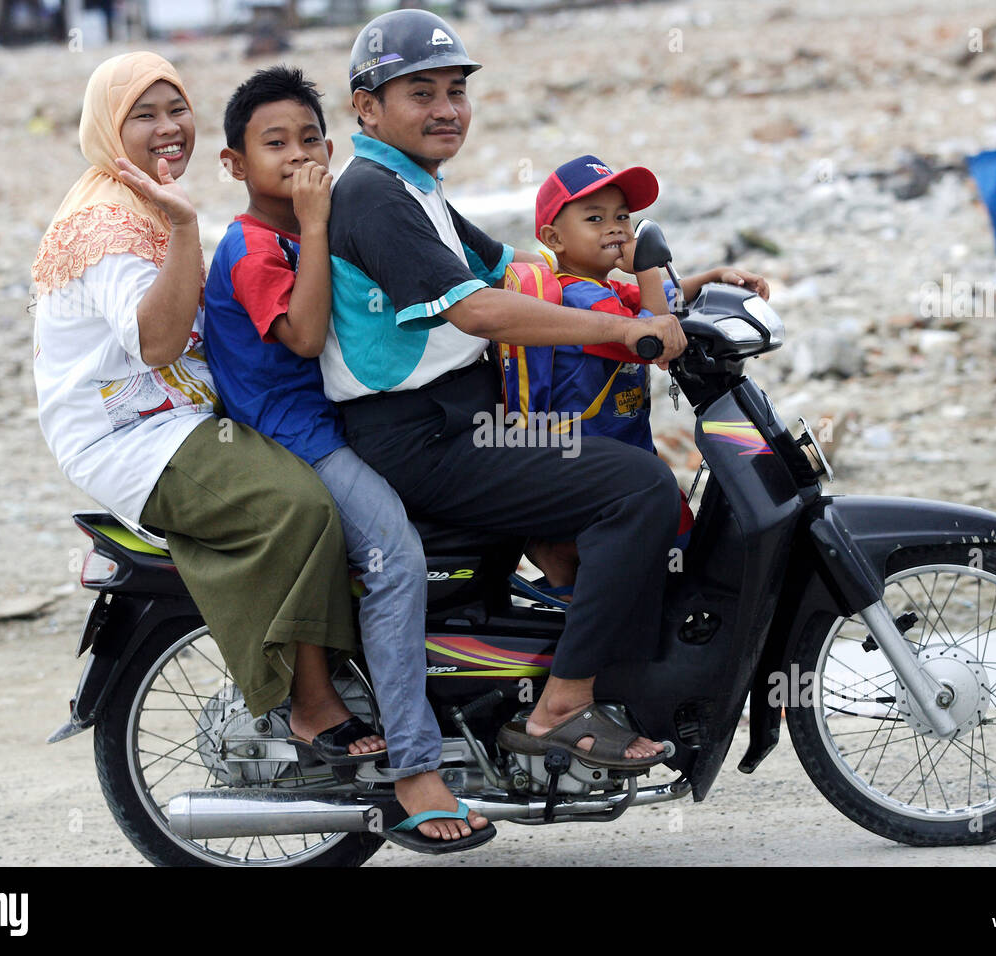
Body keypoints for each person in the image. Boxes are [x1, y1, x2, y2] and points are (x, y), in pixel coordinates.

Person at [323, 9, 688, 770]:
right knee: (639, 488)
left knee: (599, 469)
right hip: (421, 436)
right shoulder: (372, 195)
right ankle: (564, 706)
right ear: (367, 107)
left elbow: (523, 268)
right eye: (420, 93)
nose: (447, 109)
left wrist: (686, 290)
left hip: (462, 416)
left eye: (456, 90)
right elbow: (479, 307)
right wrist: (623, 333)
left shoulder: (413, 187)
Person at [31, 52, 384, 786]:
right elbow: (156, 342)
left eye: (177, 109)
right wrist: (190, 228)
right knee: (295, 505)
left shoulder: (144, 199)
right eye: (144, 115)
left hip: (186, 414)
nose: (168, 129)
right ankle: (310, 703)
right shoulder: (104, 220)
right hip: (129, 435)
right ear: (106, 126)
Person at [202, 65, 491, 852]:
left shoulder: (310, 224)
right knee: (395, 558)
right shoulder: (253, 244)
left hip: (351, 421)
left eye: (308, 140)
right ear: (234, 165)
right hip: (301, 437)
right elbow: (300, 336)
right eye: (274, 144)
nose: (296, 156)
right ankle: (414, 763)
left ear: (332, 146)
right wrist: (319, 220)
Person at [500, 155, 772, 589]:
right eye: (595, 218)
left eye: (623, 217)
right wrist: (646, 260)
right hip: (589, 460)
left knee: (673, 517)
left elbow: (663, 297)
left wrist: (715, 277)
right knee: (671, 525)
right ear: (554, 238)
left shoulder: (603, 288)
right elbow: (652, 331)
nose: (616, 228)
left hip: (622, 449)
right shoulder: (577, 301)